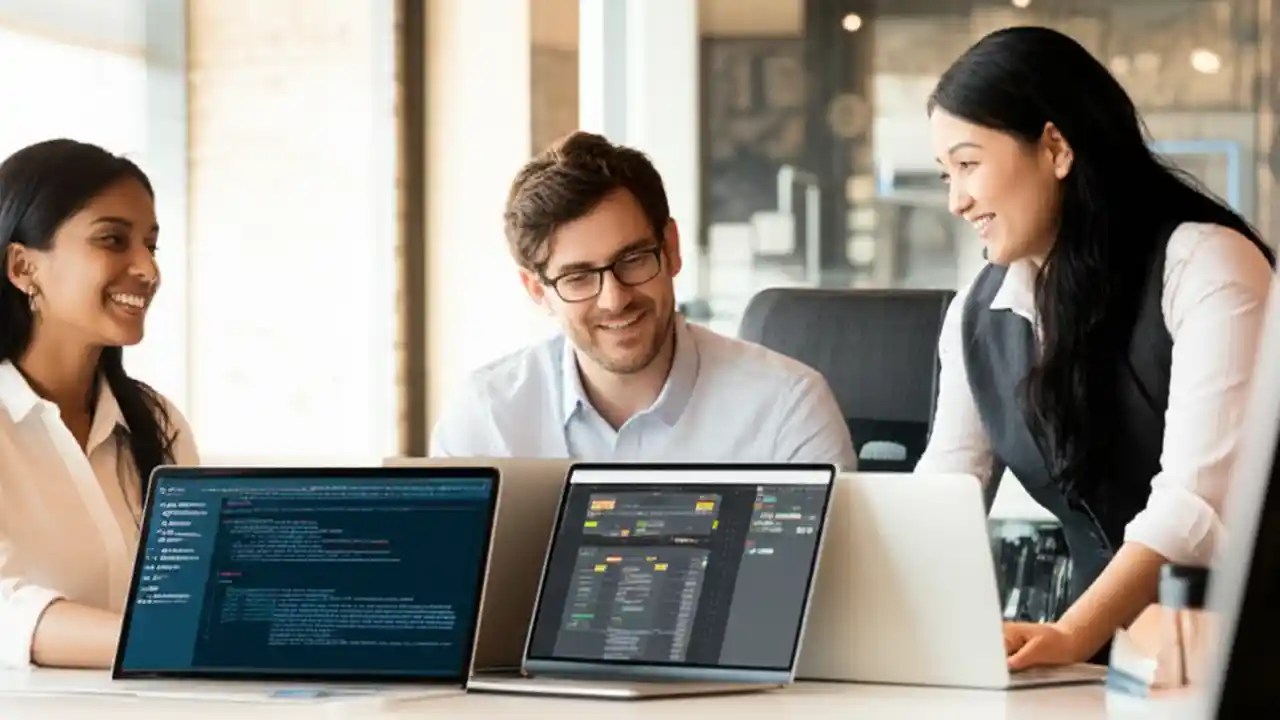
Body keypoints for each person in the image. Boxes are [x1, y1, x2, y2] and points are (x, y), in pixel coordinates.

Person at [917, 26, 1276, 671]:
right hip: (1104, 665)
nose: (957, 199)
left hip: (1233, 656)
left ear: (1055, 146)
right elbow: (941, 501)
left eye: (969, 165)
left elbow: (1197, 506)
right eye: (946, 174)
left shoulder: (1206, 265)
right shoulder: (976, 313)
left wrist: (1072, 635)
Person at [430, 131, 855, 467]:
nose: (614, 299)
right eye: (578, 277)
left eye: (632, 259)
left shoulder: (785, 408)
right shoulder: (486, 419)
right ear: (537, 290)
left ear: (670, 248)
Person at [0, 140, 199, 669]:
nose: (148, 271)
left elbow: (198, 592)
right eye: (112, 240)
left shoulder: (157, 422)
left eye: (151, 246)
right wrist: (164, 638)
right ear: (22, 267)